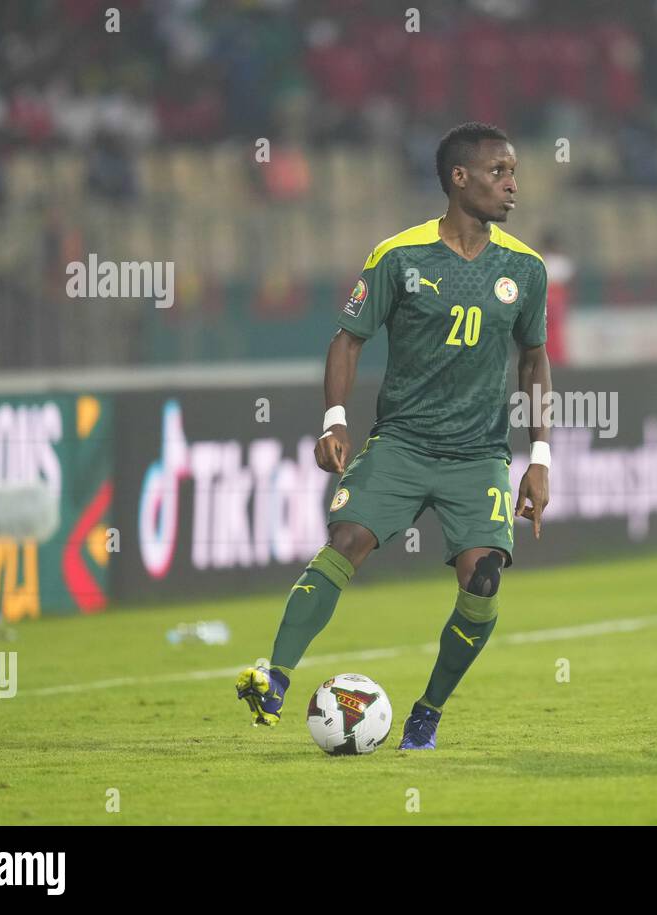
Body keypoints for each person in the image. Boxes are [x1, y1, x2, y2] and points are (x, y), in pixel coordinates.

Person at [236, 122, 553, 750]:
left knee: (484, 577)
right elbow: (347, 339)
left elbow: (535, 360)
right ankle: (274, 676)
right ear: (458, 178)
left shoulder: (525, 267)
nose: (512, 185)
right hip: (403, 441)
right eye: (499, 172)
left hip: (479, 454)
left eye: (514, 172)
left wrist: (539, 457)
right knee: (348, 537)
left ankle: (428, 711)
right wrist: (334, 419)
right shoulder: (398, 256)